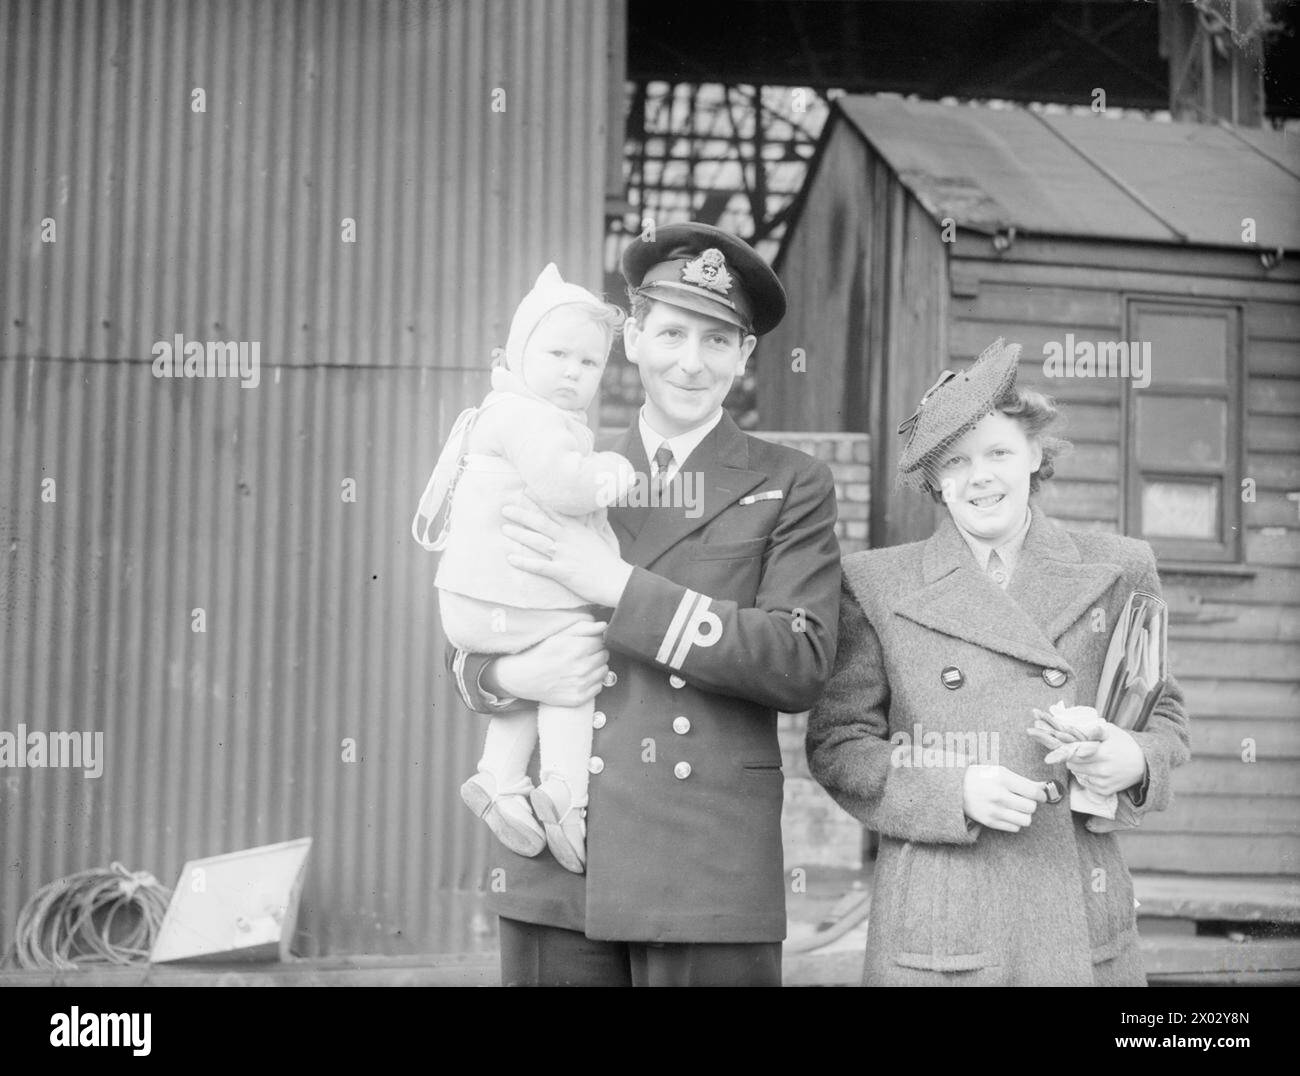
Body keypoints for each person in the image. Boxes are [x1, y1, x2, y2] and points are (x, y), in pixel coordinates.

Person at [444, 222, 842, 986]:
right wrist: (514, 678)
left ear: (745, 355)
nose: (691, 362)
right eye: (670, 333)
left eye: (717, 340)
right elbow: (472, 621)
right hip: (559, 864)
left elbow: (800, 660)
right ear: (632, 338)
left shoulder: (789, 482)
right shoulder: (557, 460)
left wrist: (620, 588)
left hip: (703, 870)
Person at [806, 338, 1190, 986]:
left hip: (1078, 912)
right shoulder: (873, 583)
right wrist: (951, 791)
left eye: (998, 453)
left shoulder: (1120, 568)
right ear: (935, 479)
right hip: (941, 923)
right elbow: (840, 745)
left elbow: (1165, 713)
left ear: (1035, 454)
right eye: (955, 461)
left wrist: (1134, 758)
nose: (979, 476)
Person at [412, 264, 634, 873]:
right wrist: (613, 472)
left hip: (479, 602)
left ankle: (500, 777)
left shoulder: (509, 411)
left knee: (542, 670)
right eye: (557, 354)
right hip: (501, 598)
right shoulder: (530, 417)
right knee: (576, 652)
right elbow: (565, 486)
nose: (573, 371)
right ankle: (565, 792)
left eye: (589, 363)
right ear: (517, 352)